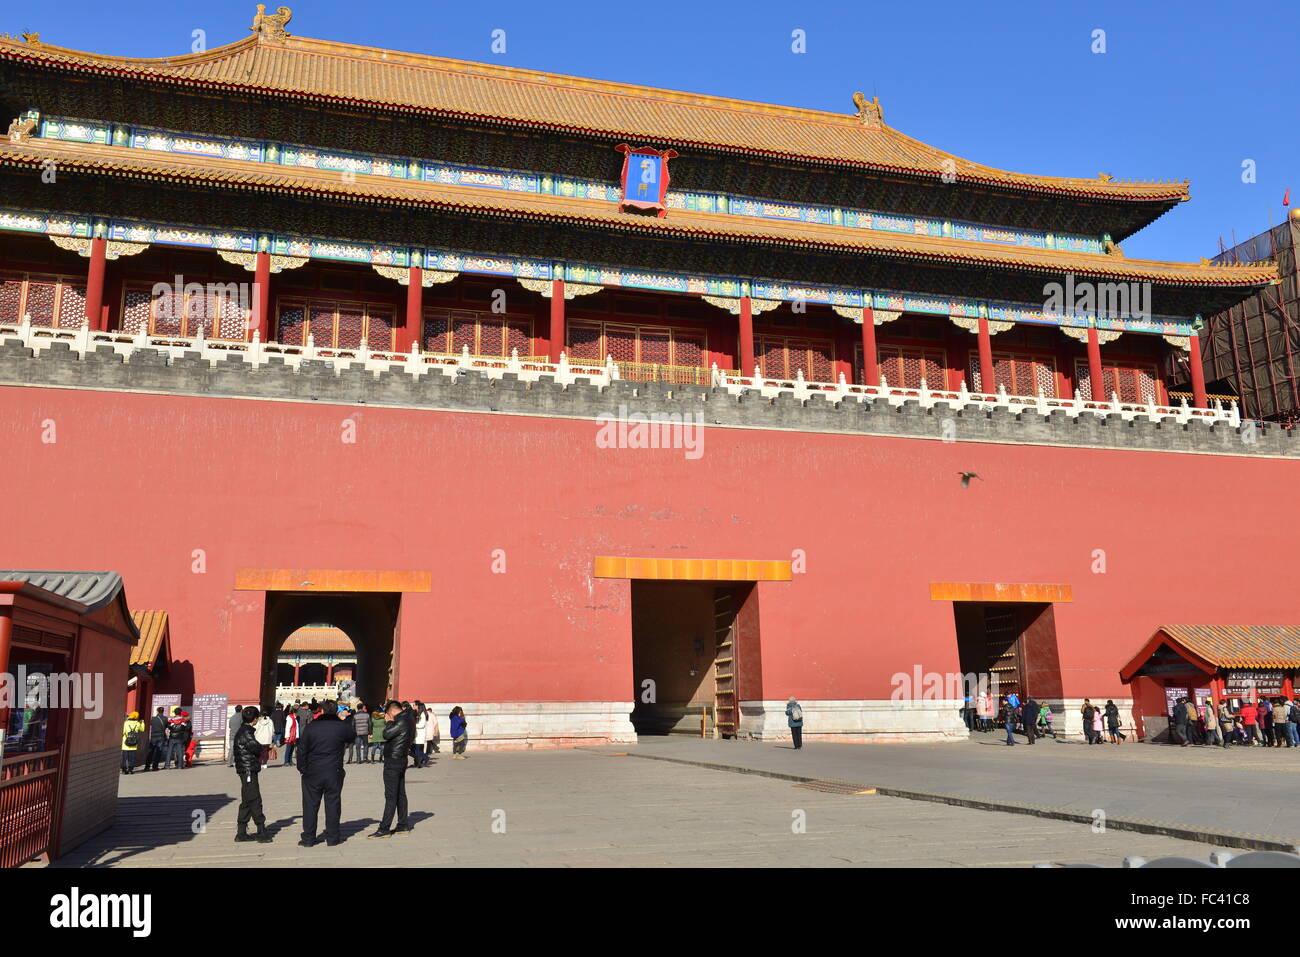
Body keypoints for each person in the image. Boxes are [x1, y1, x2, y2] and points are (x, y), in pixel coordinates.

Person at [295, 699, 354, 847]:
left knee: (310, 805)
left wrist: (302, 769)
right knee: (333, 803)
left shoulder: (311, 727)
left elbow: (301, 750)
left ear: (321, 710)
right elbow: (352, 736)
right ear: (336, 711)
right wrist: (345, 720)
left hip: (312, 771)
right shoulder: (341, 727)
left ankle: (308, 838)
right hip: (334, 770)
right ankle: (332, 838)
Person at [370, 700, 415, 838]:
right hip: (401, 759)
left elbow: (386, 734)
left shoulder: (400, 720)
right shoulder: (409, 718)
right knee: (400, 794)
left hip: (393, 762)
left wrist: (389, 722)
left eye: (388, 714)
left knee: (391, 796)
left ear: (392, 711)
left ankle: (384, 828)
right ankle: (402, 825)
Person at [232, 706, 272, 843]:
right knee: (255, 799)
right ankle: (261, 830)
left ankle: (241, 832)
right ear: (254, 719)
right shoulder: (246, 733)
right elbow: (255, 747)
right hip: (248, 770)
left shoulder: (244, 730)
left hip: (246, 769)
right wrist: (264, 748)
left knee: (247, 800)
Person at [145, 706, 168, 771]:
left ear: (157, 711)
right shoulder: (165, 719)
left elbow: (151, 724)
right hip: (161, 736)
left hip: (153, 736)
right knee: (158, 752)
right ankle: (155, 767)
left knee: (150, 752)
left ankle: (147, 766)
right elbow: (166, 726)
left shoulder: (153, 718)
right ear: (163, 711)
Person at [412, 702, 429, 768]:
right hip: (417, 734)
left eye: (414, 705)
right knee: (416, 750)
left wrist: (413, 725)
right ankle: (419, 762)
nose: (413, 706)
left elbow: (422, 725)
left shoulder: (422, 714)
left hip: (420, 735)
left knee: (417, 750)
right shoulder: (418, 713)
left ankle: (426, 757)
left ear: (418, 706)